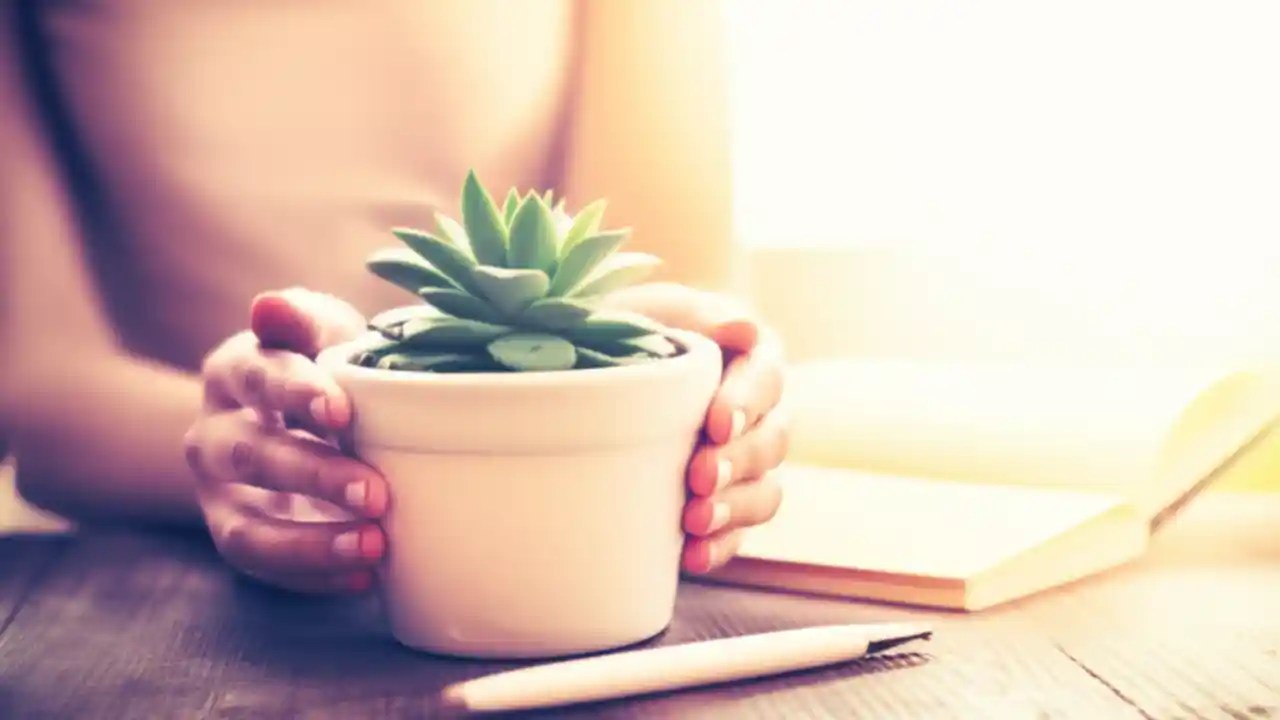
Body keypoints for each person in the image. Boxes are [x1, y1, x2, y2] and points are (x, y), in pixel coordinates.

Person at [0, 1, 788, 595]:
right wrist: (252, 451)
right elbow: (34, 383)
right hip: (147, 569)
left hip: (551, 535)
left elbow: (662, 277)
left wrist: (697, 379)